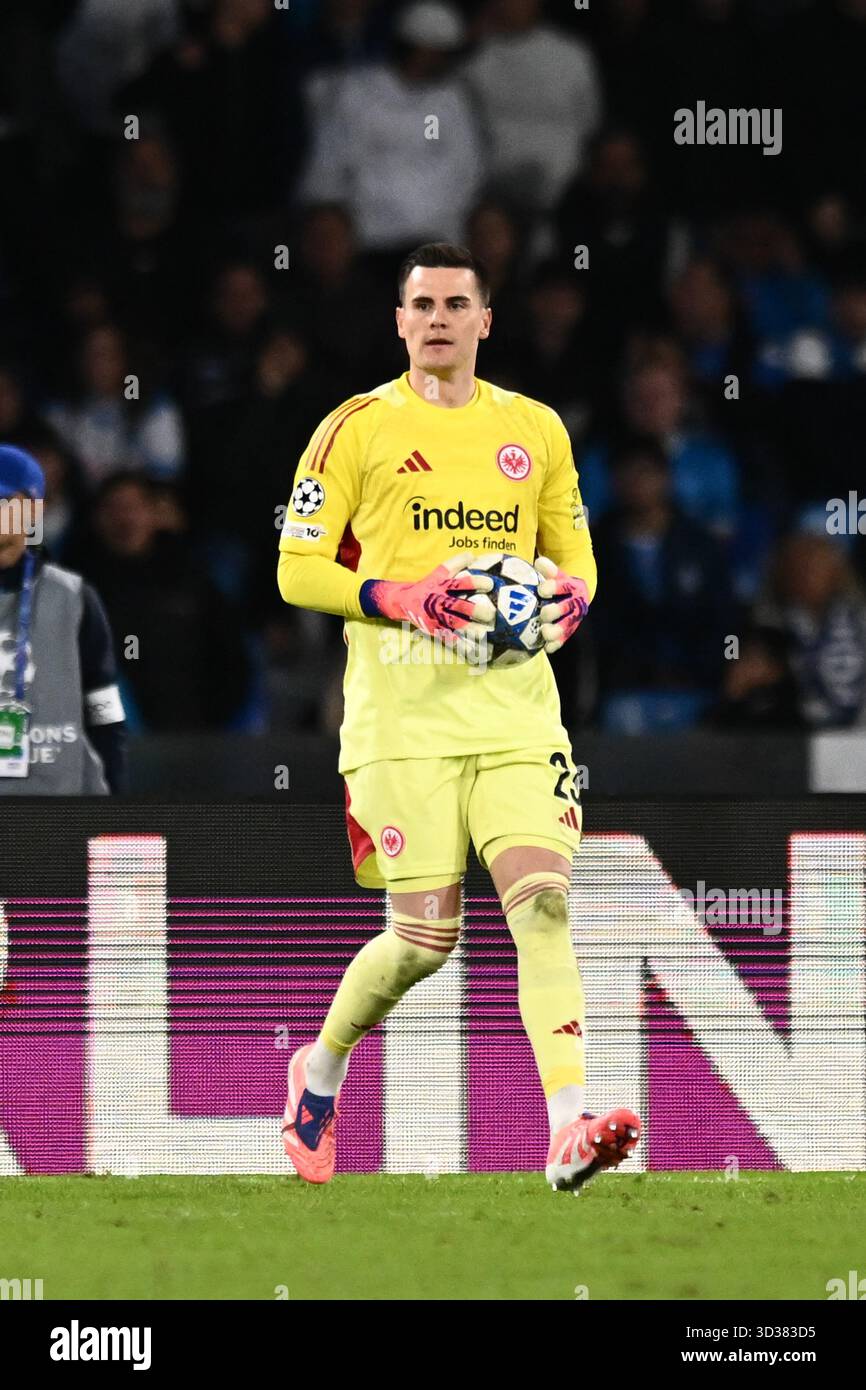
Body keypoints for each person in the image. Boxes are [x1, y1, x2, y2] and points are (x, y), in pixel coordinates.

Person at [277, 241, 641, 1191]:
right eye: (421, 304)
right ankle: (318, 1072)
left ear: (486, 320)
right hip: (401, 723)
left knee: (546, 904)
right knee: (423, 943)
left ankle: (568, 1129)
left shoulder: (538, 431)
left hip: (517, 718)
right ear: (399, 323)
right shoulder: (352, 430)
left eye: (455, 304)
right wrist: (398, 598)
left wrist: (572, 601)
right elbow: (296, 568)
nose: (437, 318)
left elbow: (577, 559)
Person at [0, 445, 126, 793]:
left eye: (4, 501)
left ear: (33, 511)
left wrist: (112, 786)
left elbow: (103, 703)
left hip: (60, 806)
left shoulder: (72, 595)